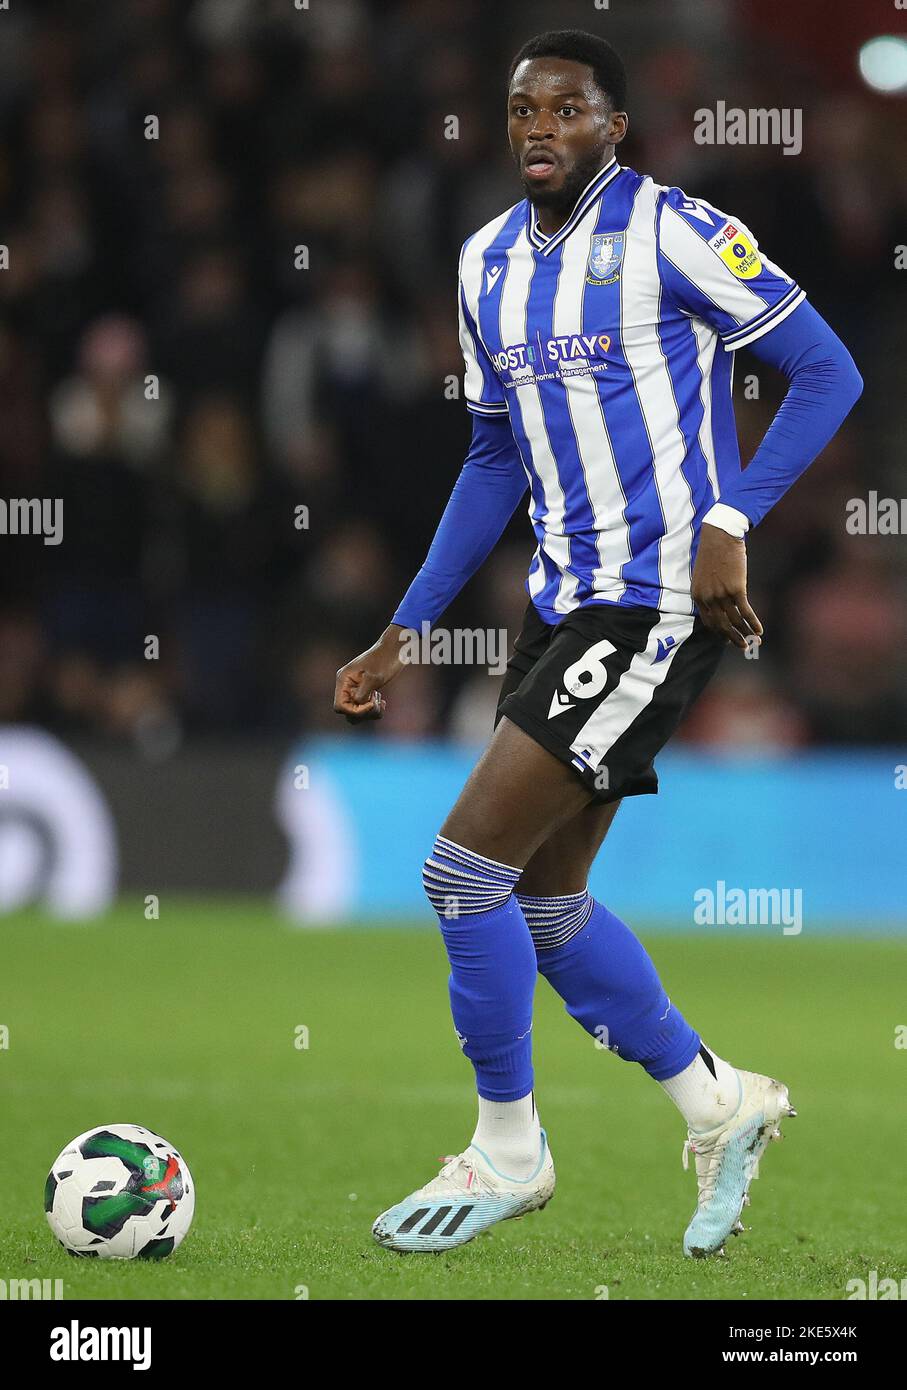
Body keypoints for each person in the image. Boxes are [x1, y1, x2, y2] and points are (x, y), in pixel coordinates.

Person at [333, 29, 862, 1257]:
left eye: (567, 109)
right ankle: (717, 1102)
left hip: (657, 602)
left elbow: (822, 369)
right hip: (562, 605)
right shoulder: (483, 267)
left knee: (461, 874)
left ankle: (508, 1148)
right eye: (522, 108)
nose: (538, 127)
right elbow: (490, 458)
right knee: (544, 898)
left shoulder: (676, 229)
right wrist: (409, 621)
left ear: (613, 127)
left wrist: (729, 520)